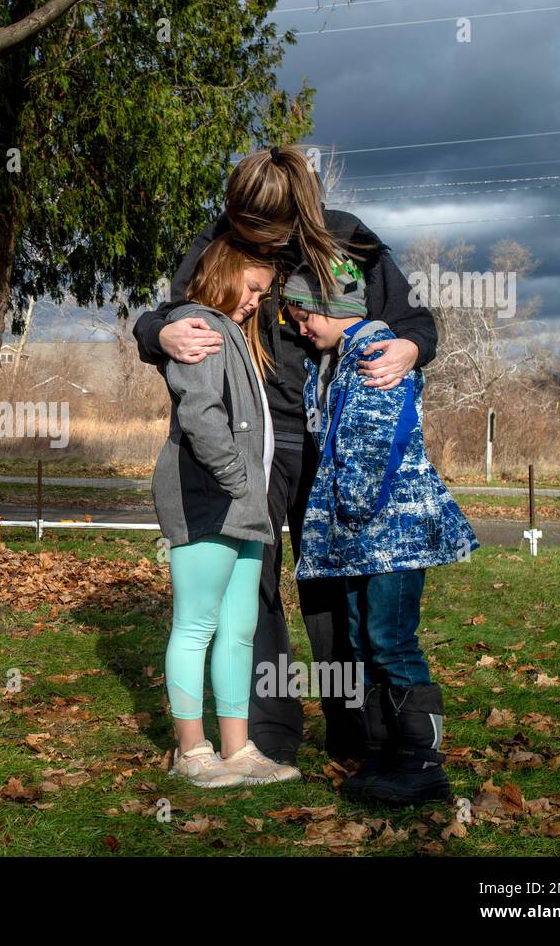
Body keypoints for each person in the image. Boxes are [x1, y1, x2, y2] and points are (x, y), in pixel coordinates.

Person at [133, 144, 439, 767]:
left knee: (333, 589)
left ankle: (358, 730)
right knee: (257, 587)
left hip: (332, 446)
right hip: (256, 449)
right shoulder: (220, 239)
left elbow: (415, 322)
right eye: (242, 225)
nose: (253, 239)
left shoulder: (350, 239)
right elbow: (171, 317)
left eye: (264, 229)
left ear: (298, 212)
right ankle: (265, 735)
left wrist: (409, 348)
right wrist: (156, 334)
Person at [283, 260, 478, 805]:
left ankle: (422, 763)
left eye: (305, 316)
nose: (300, 328)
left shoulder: (374, 356)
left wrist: (349, 512)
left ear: (335, 307)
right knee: (361, 641)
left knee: (391, 641)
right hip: (354, 537)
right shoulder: (331, 363)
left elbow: (372, 446)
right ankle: (382, 753)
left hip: (388, 531)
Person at [152, 231, 297, 788]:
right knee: (196, 625)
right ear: (226, 270)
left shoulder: (235, 333)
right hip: (208, 499)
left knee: (238, 629)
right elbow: (201, 413)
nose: (257, 300)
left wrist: (250, 493)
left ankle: (238, 750)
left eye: (264, 293)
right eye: (253, 287)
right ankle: (192, 751)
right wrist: (240, 480)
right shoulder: (201, 324)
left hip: (245, 507)